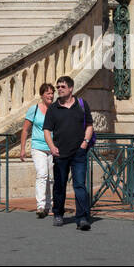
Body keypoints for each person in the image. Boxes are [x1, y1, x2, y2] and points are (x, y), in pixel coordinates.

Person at [43, 75, 95, 231]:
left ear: (71, 88)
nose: (59, 89)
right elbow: (47, 130)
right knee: (59, 185)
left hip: (78, 153)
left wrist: (85, 143)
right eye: (58, 87)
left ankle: (83, 218)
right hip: (60, 153)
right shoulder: (53, 108)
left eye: (62, 87)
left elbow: (90, 125)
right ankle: (58, 214)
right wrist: (51, 146)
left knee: (79, 185)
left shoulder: (81, 104)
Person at [18, 83, 55, 219]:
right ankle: (40, 205)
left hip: (52, 148)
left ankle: (49, 205)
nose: (50, 96)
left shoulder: (56, 109)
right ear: (42, 95)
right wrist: (22, 149)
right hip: (38, 147)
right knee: (42, 174)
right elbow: (25, 129)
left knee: (51, 178)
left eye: (52, 93)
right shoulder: (34, 109)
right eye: (48, 93)